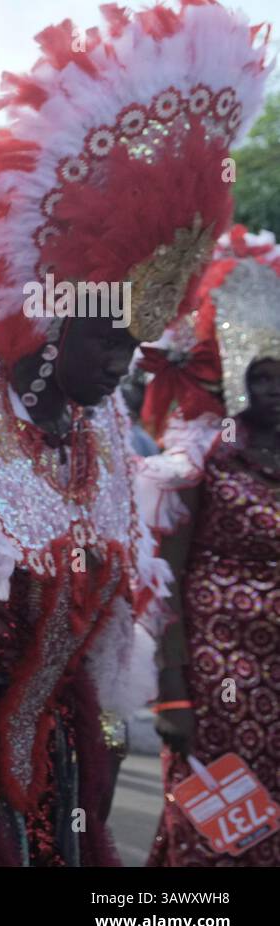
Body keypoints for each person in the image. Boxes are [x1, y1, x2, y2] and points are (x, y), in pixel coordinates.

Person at [0, 1, 270, 866]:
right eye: (108, 337)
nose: (124, 361)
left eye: (136, 340)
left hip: (58, 770)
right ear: (52, 320)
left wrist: (103, 746)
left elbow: (110, 625)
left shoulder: (106, 433)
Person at [141, 230, 280, 866]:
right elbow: (165, 577)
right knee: (214, 839)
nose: (274, 387)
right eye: (261, 374)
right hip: (217, 681)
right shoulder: (205, 452)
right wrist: (172, 694)